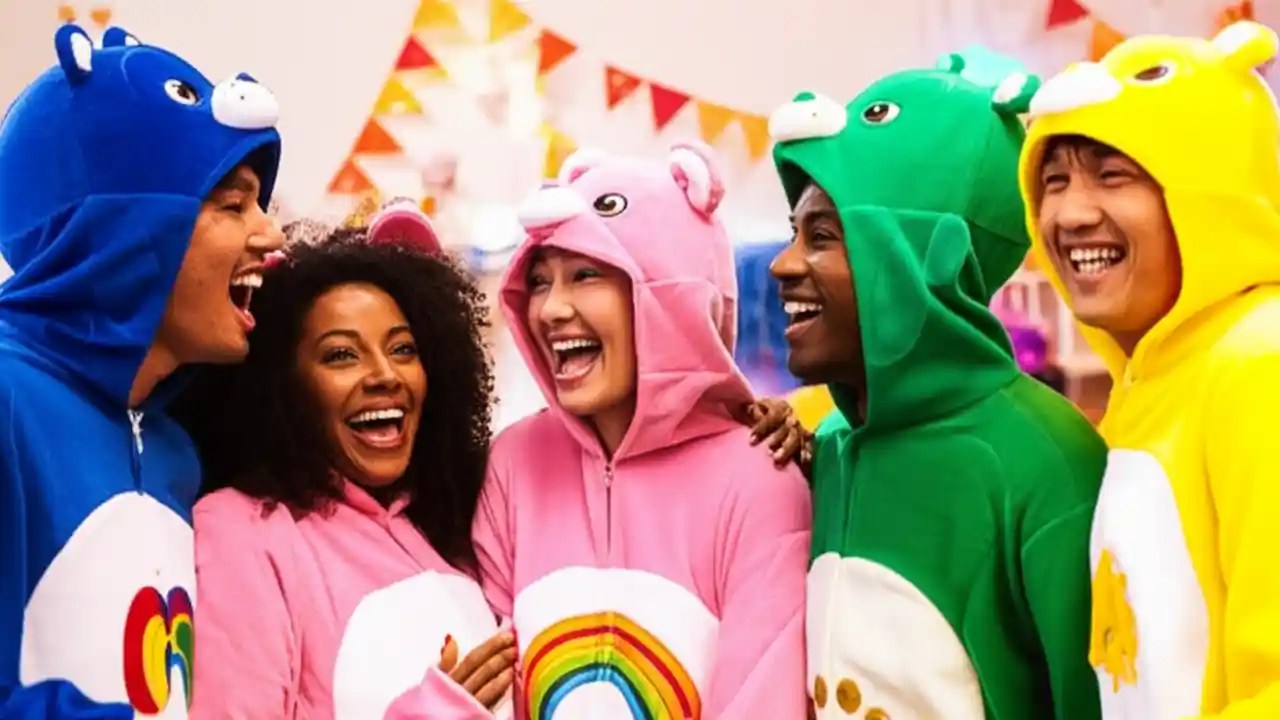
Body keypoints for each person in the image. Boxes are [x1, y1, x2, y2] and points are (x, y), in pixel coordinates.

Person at [767, 54, 1107, 719]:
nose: (783, 264)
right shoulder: (829, 448)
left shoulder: (1048, 462)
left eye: (824, 237)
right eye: (793, 233)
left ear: (916, 257)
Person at [0, 24, 283, 717]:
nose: (271, 236)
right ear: (124, 229)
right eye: (232, 204)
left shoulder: (175, 448)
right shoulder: (8, 401)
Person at [473, 142, 812, 719]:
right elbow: (488, 688)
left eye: (585, 275)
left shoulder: (759, 477)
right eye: (539, 280)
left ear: (667, 294)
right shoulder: (515, 461)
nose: (551, 309)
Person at [1020, 20, 1280, 719]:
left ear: (1208, 192)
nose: (1070, 214)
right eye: (1053, 180)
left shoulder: (1260, 363)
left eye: (1114, 174)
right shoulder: (1151, 382)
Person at [175, 220, 516, 719]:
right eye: (341, 355)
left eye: (403, 349)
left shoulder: (449, 525)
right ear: (285, 388)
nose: (384, 375)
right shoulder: (242, 532)